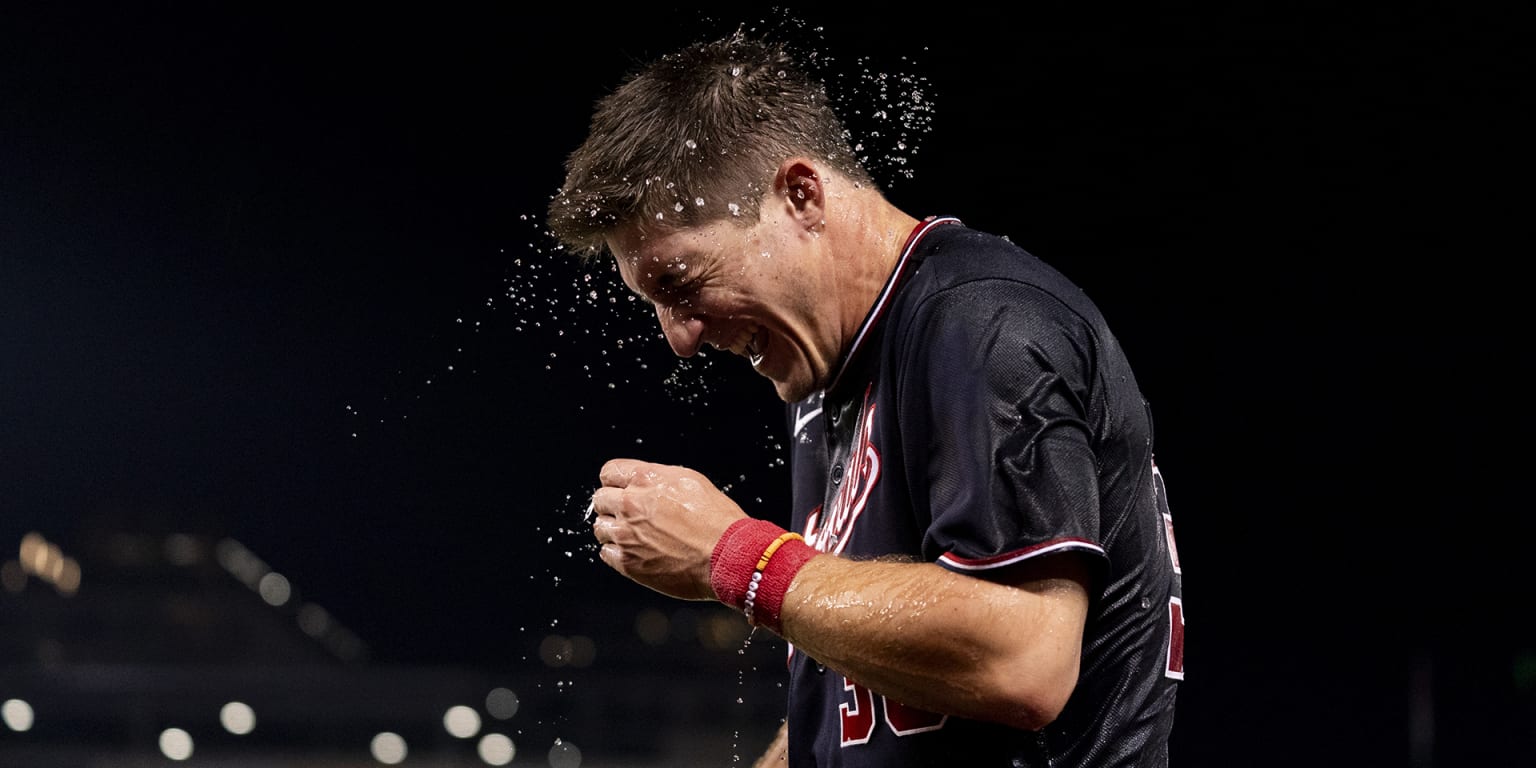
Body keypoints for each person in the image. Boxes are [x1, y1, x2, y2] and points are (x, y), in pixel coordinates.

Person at [548, 31, 1183, 768]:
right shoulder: (828, 370)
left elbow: (1024, 661)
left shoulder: (979, 325)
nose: (680, 339)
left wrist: (735, 557)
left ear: (801, 195)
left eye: (682, 284)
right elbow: (860, 674)